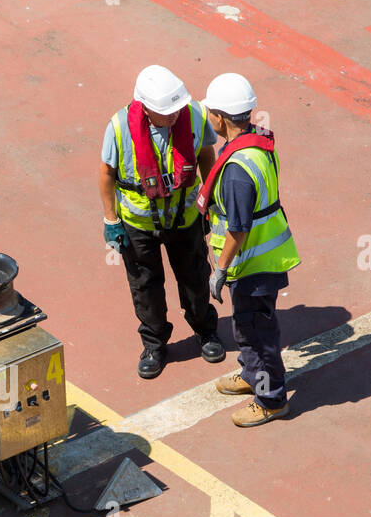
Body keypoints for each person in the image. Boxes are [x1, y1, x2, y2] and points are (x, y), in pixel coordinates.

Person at [100, 65, 225, 380]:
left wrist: (208, 198)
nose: (173, 116)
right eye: (164, 111)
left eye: (175, 109)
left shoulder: (193, 114)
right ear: (144, 107)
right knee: (145, 286)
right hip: (139, 225)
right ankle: (154, 345)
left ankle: (206, 332)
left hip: (185, 219)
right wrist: (110, 220)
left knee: (195, 277)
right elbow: (106, 174)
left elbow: (205, 154)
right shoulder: (118, 127)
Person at [197, 72, 300, 428]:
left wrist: (220, 270)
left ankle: (271, 399)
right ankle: (251, 373)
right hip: (263, 260)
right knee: (248, 328)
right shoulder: (257, 146)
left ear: (221, 118)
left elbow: (238, 230)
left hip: (252, 266)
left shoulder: (237, 170)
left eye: (210, 111)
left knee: (257, 333)